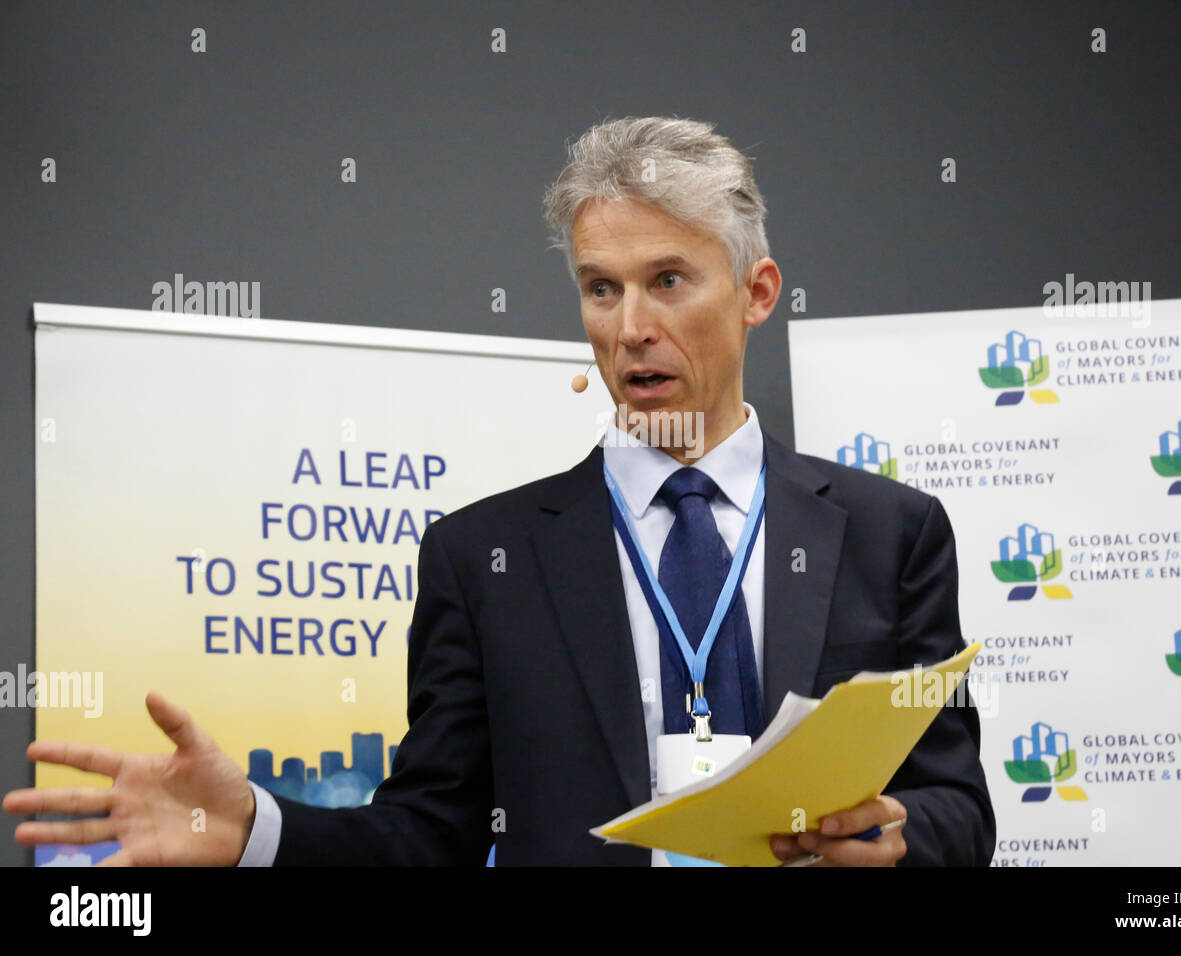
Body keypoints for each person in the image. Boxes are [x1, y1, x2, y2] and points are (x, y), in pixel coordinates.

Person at [4, 116, 994, 867]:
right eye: (600, 288)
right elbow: (428, 832)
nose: (629, 327)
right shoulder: (485, 556)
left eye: (667, 280)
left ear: (756, 291)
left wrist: (902, 834)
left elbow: (958, 804)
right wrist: (258, 827)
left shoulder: (888, 531)